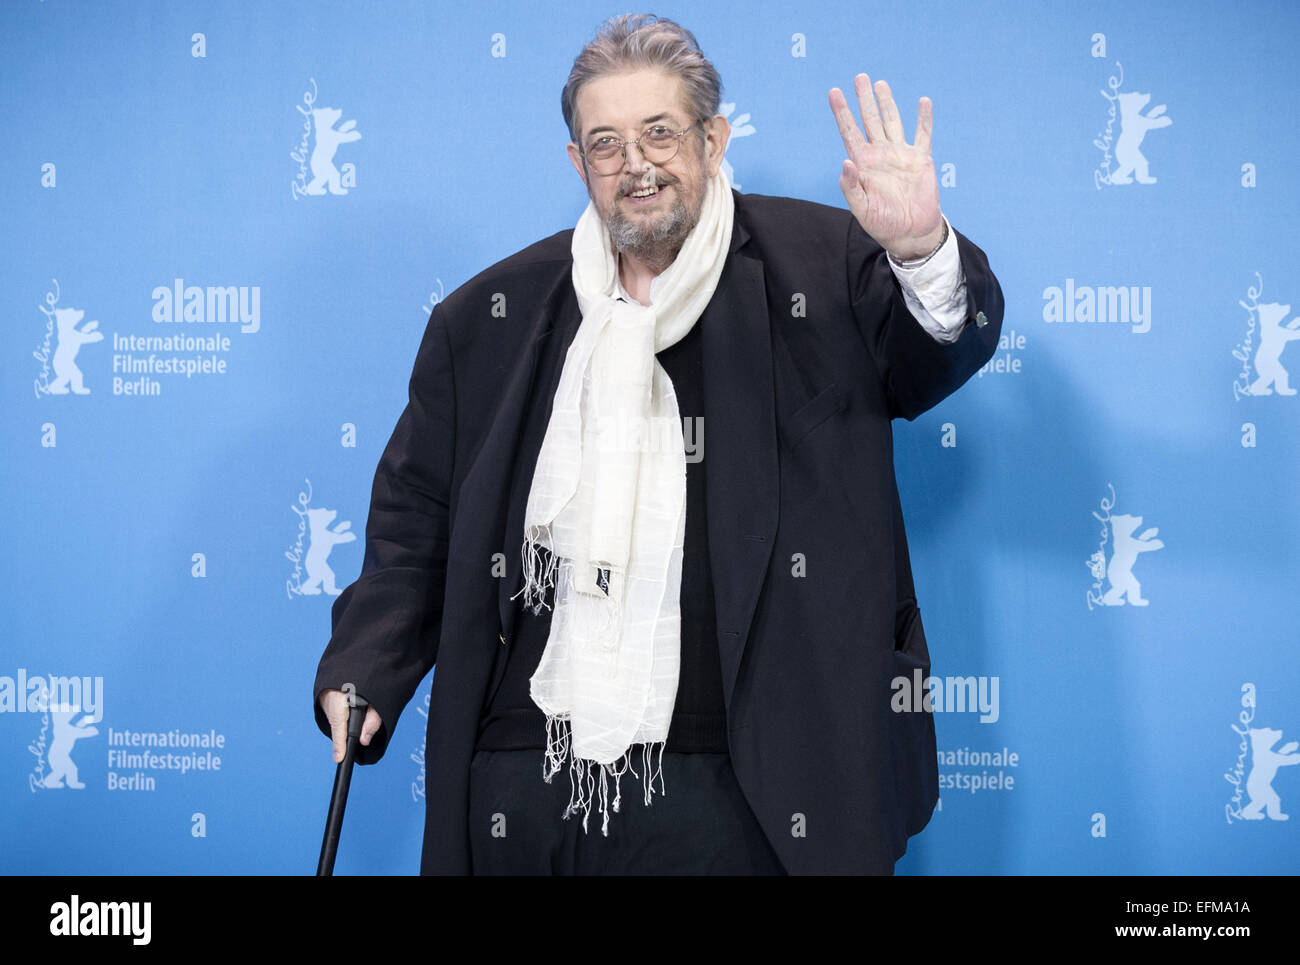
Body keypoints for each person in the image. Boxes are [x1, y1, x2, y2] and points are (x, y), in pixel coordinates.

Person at [315, 13, 1003, 875]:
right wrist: (366, 665)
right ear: (577, 163)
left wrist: (919, 247)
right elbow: (417, 519)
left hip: (755, 786)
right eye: (605, 144)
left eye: (660, 134)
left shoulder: (829, 270)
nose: (635, 164)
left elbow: (937, 347)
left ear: (714, 140)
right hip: (528, 783)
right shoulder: (488, 318)